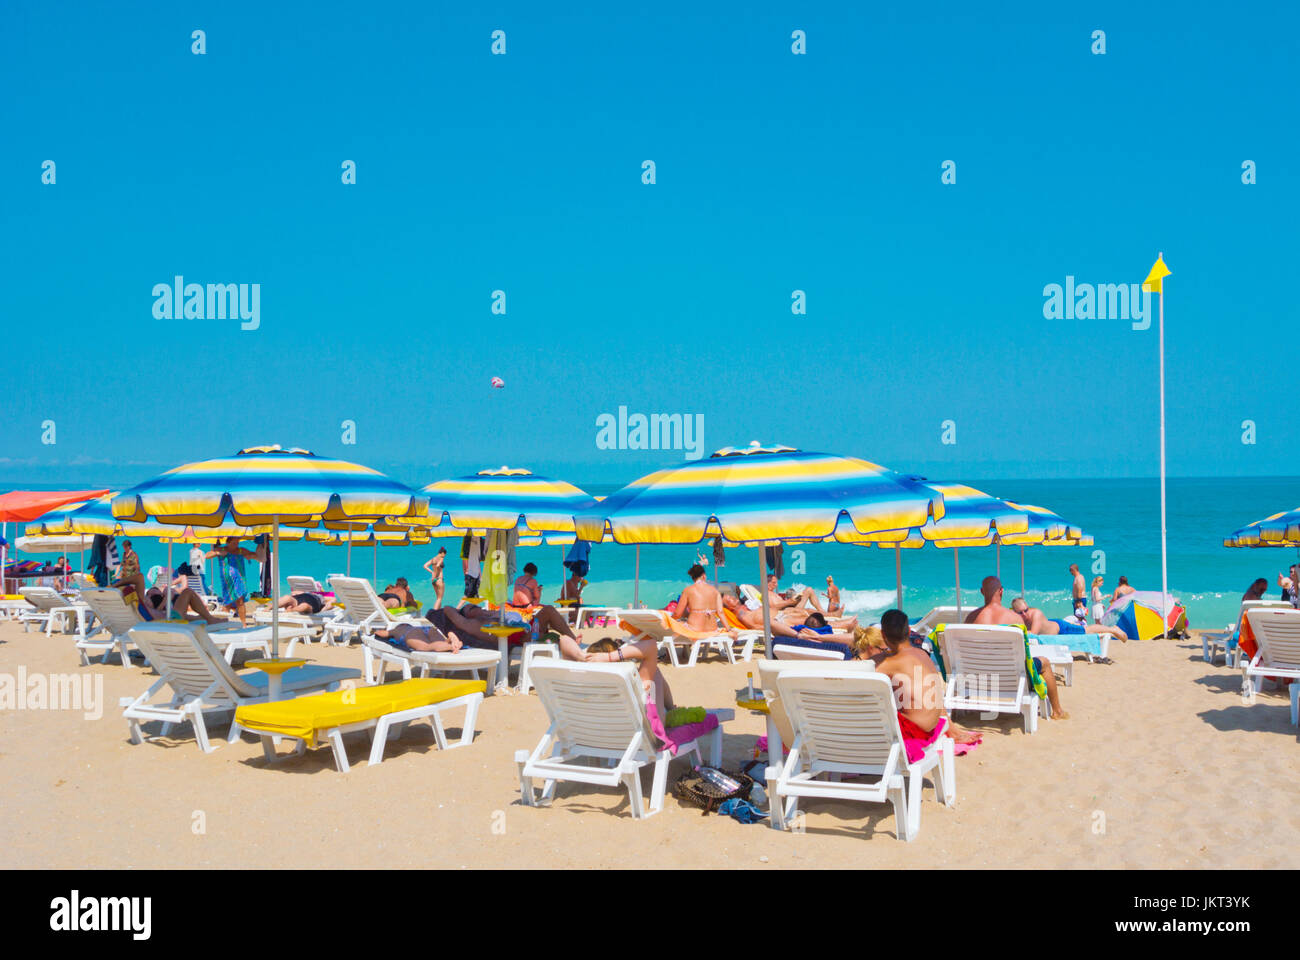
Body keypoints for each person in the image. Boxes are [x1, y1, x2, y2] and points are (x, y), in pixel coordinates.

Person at [962, 576, 1069, 719]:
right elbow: (1024, 654)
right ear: (1001, 592)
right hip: (1011, 678)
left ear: (982, 592)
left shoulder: (971, 618)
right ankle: (1057, 712)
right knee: (1044, 662)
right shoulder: (1015, 619)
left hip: (977, 676)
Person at [867, 610, 981, 744]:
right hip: (934, 725)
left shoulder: (888, 663)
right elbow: (936, 696)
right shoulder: (922, 654)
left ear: (883, 634)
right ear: (909, 631)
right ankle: (952, 730)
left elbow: (860, 671)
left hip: (915, 731)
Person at [585, 635, 674, 710]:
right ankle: (672, 709)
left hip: (600, 727)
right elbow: (651, 645)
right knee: (655, 672)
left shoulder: (586, 689)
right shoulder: (632, 687)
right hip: (645, 728)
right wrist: (609, 657)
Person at [1010, 597, 1128, 643]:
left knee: (1085, 630)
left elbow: (1033, 633)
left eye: (1026, 610)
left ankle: (1113, 629)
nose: (1025, 614)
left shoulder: (1035, 614)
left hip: (1060, 628)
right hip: (1050, 624)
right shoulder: (1018, 618)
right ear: (1015, 612)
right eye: (1021, 612)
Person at [142, 568, 227, 624]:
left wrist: (166, 591)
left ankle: (211, 619)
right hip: (170, 619)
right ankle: (211, 619)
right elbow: (156, 612)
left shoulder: (144, 603)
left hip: (170, 615)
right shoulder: (147, 603)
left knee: (199, 618)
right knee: (188, 592)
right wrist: (166, 599)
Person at [206, 537, 258, 627]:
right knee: (227, 601)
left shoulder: (241, 550)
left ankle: (244, 624)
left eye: (237, 543)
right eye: (234, 543)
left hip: (239, 579)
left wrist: (250, 556)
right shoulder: (222, 549)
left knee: (240, 600)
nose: (236, 545)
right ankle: (223, 624)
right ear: (228, 543)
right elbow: (207, 556)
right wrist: (217, 553)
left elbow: (253, 555)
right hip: (227, 581)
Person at [674, 564, 726, 632]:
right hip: (712, 630)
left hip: (694, 629)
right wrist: (729, 629)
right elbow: (720, 612)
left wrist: (671, 619)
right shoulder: (715, 591)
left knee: (678, 622)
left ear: (692, 578)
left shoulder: (688, 590)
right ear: (704, 576)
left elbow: (677, 614)